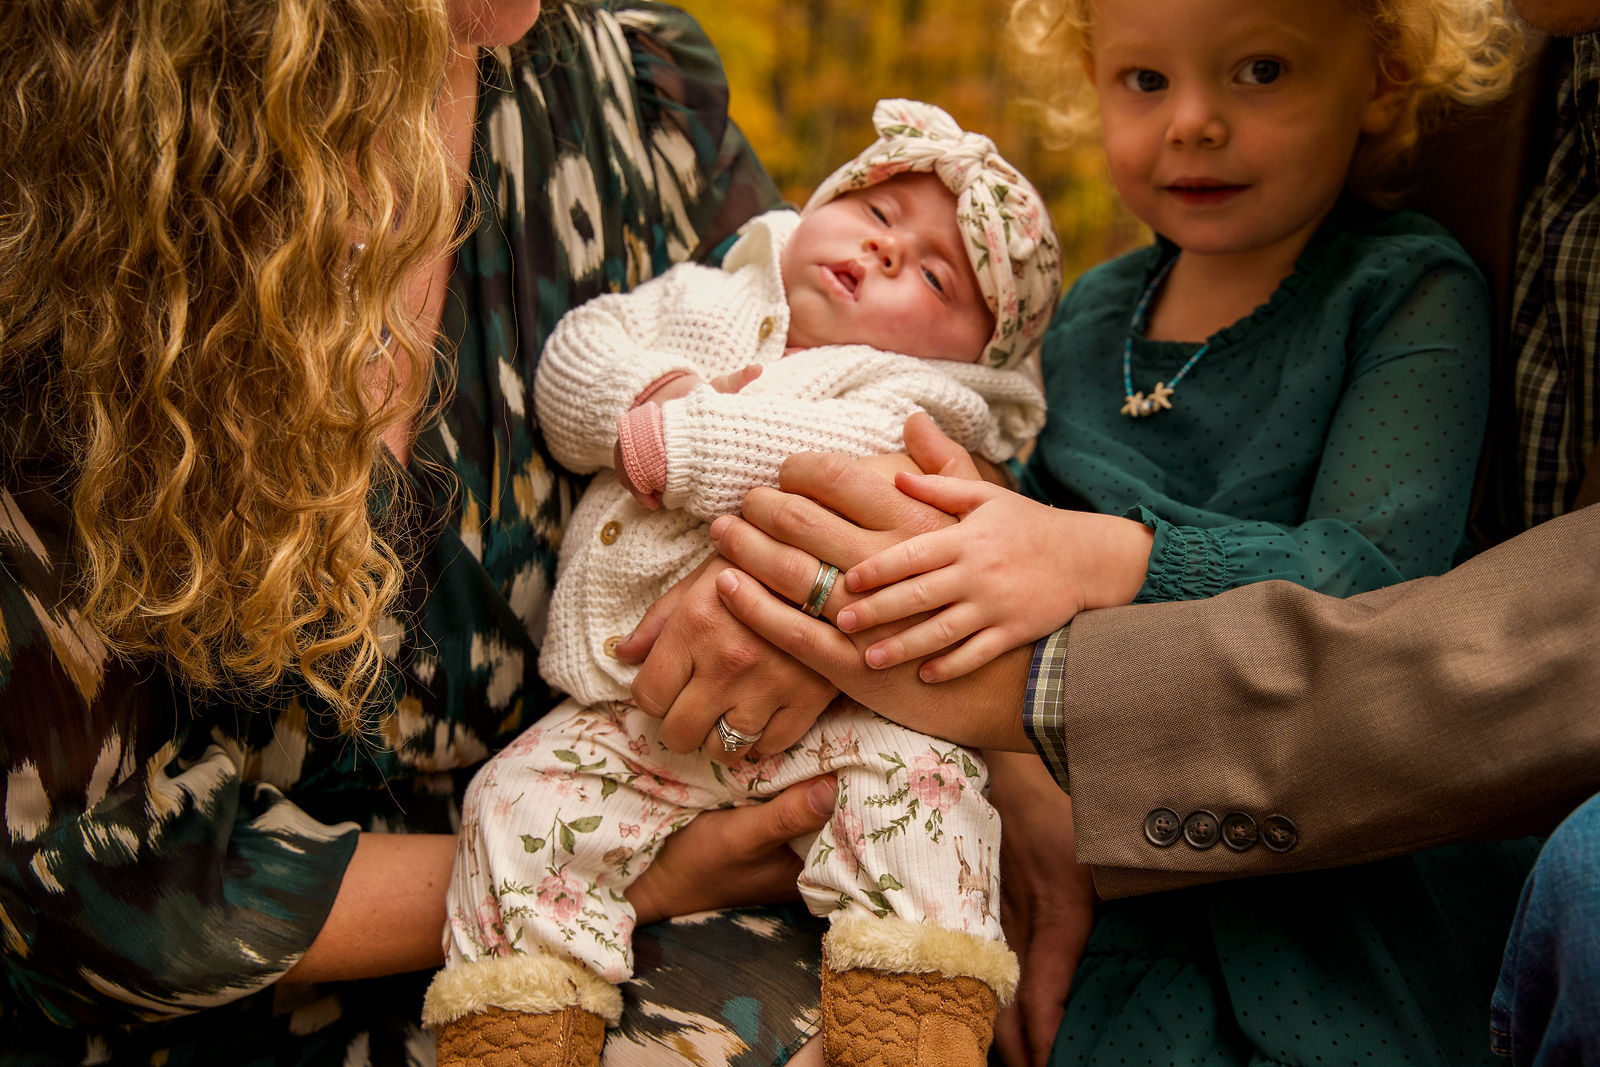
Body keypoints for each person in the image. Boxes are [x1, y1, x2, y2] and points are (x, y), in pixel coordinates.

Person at [660, 0, 1577, 1064]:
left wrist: (1098, 556)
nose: (1191, 122)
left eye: (1261, 70)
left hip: (1311, 862)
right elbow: (979, 544)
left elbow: (1376, 576)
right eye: (1144, 81)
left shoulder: (1402, 290)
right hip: (1078, 833)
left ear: (1378, 77)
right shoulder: (1087, 319)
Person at [0, 1, 849, 1063]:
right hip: (184, 1009)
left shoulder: (627, 94)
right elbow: (62, 881)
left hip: (601, 910)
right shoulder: (57, 170)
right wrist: (606, 867)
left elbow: (872, 390)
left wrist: (806, 590)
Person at [420, 99, 1061, 1066]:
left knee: (927, 790)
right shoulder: (700, 299)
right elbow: (578, 354)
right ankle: (521, 1026)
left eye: (934, 273)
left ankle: (909, 1019)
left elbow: (855, 462)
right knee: (510, 806)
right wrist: (639, 399)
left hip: (835, 714)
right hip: (627, 706)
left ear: (974, 358)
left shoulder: (917, 396)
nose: (888, 253)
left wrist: (688, 441)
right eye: (877, 214)